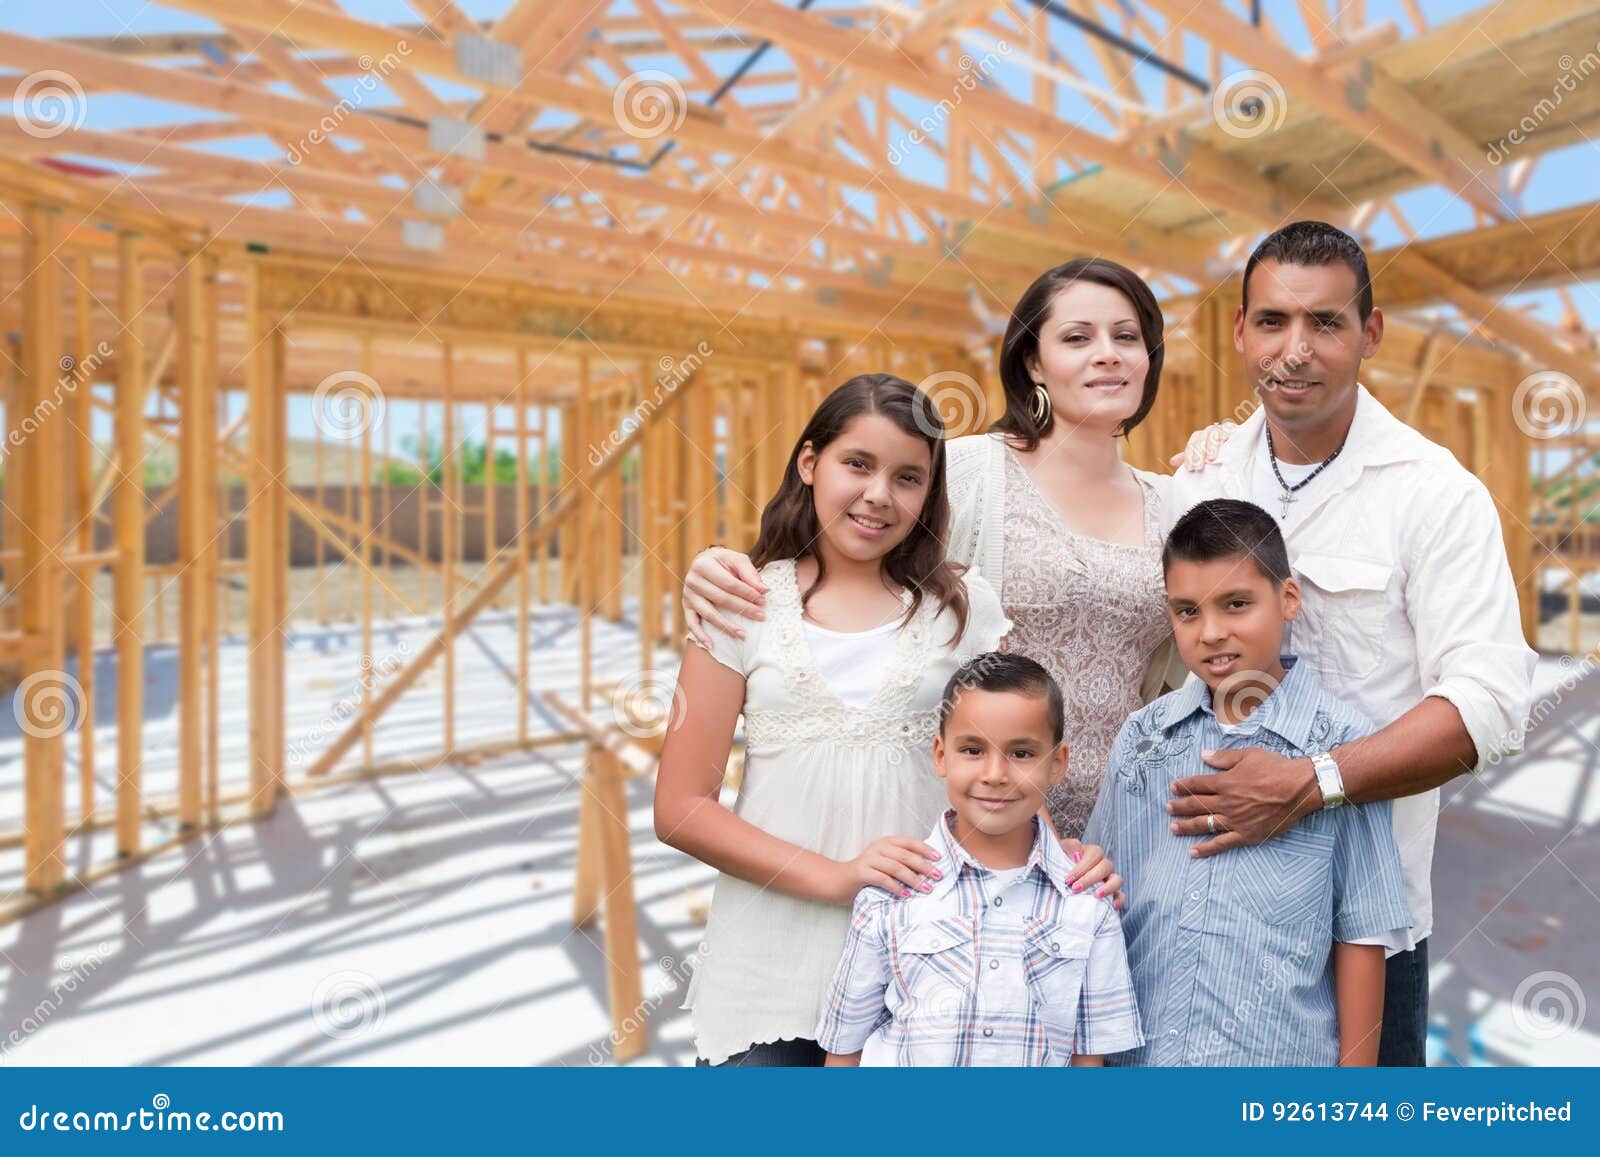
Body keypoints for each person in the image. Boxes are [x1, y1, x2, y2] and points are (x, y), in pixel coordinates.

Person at [1163, 221, 1536, 1066]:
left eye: (1325, 323)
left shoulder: (1435, 495)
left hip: (1364, 923)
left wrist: (1310, 784)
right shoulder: (1203, 480)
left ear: (1371, 333)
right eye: (1272, 322)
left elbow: (1487, 706)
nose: (1294, 351)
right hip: (1210, 910)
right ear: (1240, 331)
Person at [682, 258, 1189, 845]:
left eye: (1127, 337)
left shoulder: (1176, 503)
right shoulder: (969, 472)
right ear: (1033, 363)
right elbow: (850, 555)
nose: (1107, 353)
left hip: (1131, 826)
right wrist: (719, 565)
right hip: (972, 831)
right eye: (1078, 337)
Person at [654, 374, 1013, 1066]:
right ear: (810, 462)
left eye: (908, 476)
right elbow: (679, 807)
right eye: (858, 464)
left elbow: (1003, 774)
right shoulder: (743, 600)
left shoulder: (963, 610)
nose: (880, 493)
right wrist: (838, 876)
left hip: (921, 965)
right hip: (767, 967)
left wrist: (1065, 867)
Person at [1085, 499, 1411, 1065]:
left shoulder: (1344, 748)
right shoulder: (1143, 739)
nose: (1210, 633)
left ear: (1288, 600)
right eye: (1187, 612)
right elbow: (1098, 903)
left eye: (1236, 605)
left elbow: (1362, 932)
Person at [815, 653, 1143, 1066]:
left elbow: (1088, 1061)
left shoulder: (1089, 904)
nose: (995, 774)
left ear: (1057, 763)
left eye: (1021, 754)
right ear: (940, 755)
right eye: (972, 750)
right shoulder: (891, 895)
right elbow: (844, 1050)